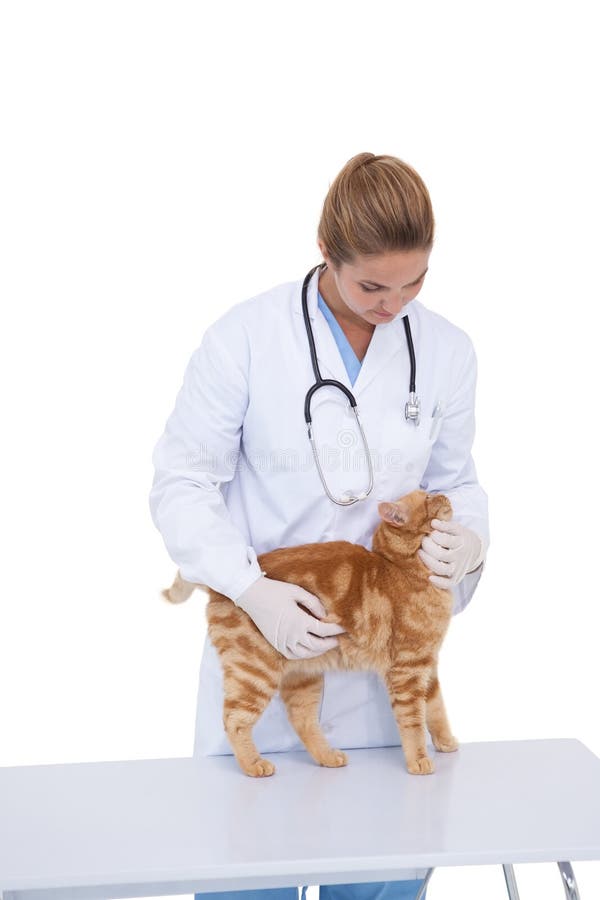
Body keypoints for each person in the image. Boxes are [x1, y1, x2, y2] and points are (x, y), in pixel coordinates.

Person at [149, 152, 490, 900]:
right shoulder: (245, 338)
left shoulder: (447, 351)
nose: (393, 304)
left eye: (415, 282)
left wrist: (469, 545)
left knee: (381, 873)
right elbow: (181, 483)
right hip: (266, 663)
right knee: (248, 872)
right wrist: (250, 589)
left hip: (378, 693)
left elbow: (457, 479)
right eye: (371, 284)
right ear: (324, 250)